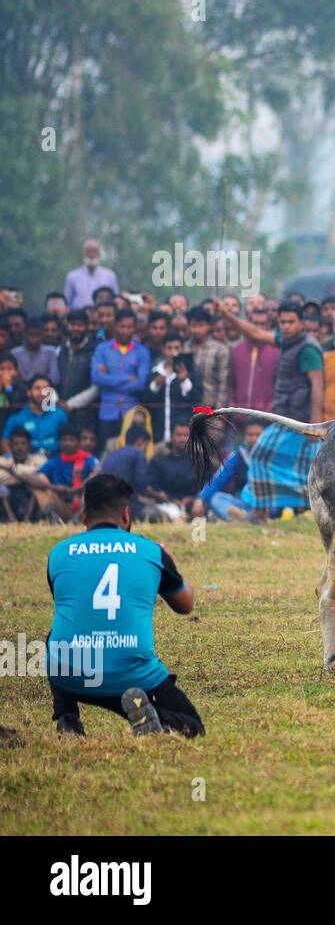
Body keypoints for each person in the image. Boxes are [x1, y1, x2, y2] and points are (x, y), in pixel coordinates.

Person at [45, 474, 203, 737]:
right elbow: (185, 605)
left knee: (55, 635)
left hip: (71, 675)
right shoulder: (151, 551)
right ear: (127, 514)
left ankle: (67, 718)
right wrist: (172, 566)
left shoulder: (58, 553)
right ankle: (158, 719)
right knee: (191, 723)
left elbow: (70, 607)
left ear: (84, 516)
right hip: (133, 677)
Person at [221, 302, 324, 517]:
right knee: (296, 468)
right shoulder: (286, 341)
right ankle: (264, 513)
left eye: (291, 322)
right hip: (284, 416)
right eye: (283, 322)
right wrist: (227, 315)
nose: (286, 326)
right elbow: (255, 332)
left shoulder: (308, 348)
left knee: (262, 456)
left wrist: (314, 424)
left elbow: (317, 384)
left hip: (299, 421)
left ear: (302, 323)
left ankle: (275, 512)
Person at [91, 310, 152, 448]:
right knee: (107, 452)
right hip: (107, 412)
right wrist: (127, 378)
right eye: (121, 326)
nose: (125, 331)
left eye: (129, 327)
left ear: (135, 328)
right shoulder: (102, 349)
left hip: (131, 413)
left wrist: (108, 380)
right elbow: (96, 378)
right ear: (114, 326)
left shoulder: (142, 352)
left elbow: (141, 384)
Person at [2, 374, 67, 455]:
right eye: (37, 388)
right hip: (26, 464)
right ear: (29, 392)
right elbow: (5, 442)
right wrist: (14, 461)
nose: (42, 392)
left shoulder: (60, 414)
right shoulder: (17, 416)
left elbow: (68, 440)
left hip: (54, 462)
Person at [63, 239, 119, 310]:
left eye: (95, 251)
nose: (91, 255)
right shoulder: (72, 276)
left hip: (103, 318)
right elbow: (67, 301)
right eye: (88, 251)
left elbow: (116, 300)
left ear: (99, 254)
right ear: (83, 253)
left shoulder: (110, 276)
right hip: (80, 318)